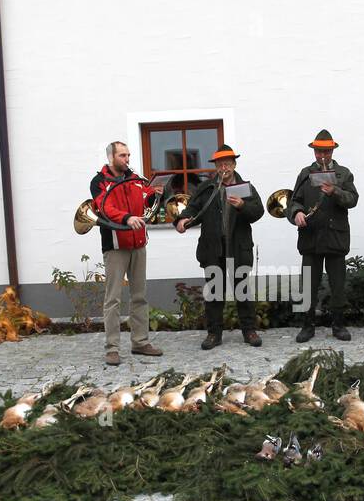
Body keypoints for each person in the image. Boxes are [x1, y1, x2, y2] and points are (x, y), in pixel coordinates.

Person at [174, 145, 265, 349]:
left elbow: (258, 212)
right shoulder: (207, 188)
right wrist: (182, 220)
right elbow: (193, 209)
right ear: (216, 166)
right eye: (220, 164)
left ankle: (249, 331)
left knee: (242, 292)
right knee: (214, 293)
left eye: (228, 163)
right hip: (213, 249)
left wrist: (242, 205)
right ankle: (214, 334)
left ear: (234, 164)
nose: (224, 167)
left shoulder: (245, 187)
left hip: (238, 248)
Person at [90, 141, 165, 366]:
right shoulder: (99, 181)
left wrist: (155, 195)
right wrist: (126, 218)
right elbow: (104, 207)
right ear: (111, 157)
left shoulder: (134, 178)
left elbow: (144, 203)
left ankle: (140, 342)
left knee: (139, 296)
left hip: (138, 242)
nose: (127, 159)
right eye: (123, 155)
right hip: (115, 245)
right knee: (112, 299)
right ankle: (112, 348)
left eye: (128, 155)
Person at [286, 129, 358, 342]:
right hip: (311, 237)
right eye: (319, 152)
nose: (322, 156)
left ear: (332, 151)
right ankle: (307, 326)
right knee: (308, 284)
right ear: (314, 152)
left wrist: (334, 191)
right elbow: (294, 200)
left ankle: (338, 325)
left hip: (335, 237)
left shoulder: (343, 173)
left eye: (326, 151)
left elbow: (352, 200)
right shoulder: (305, 173)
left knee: (337, 285)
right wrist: (296, 213)